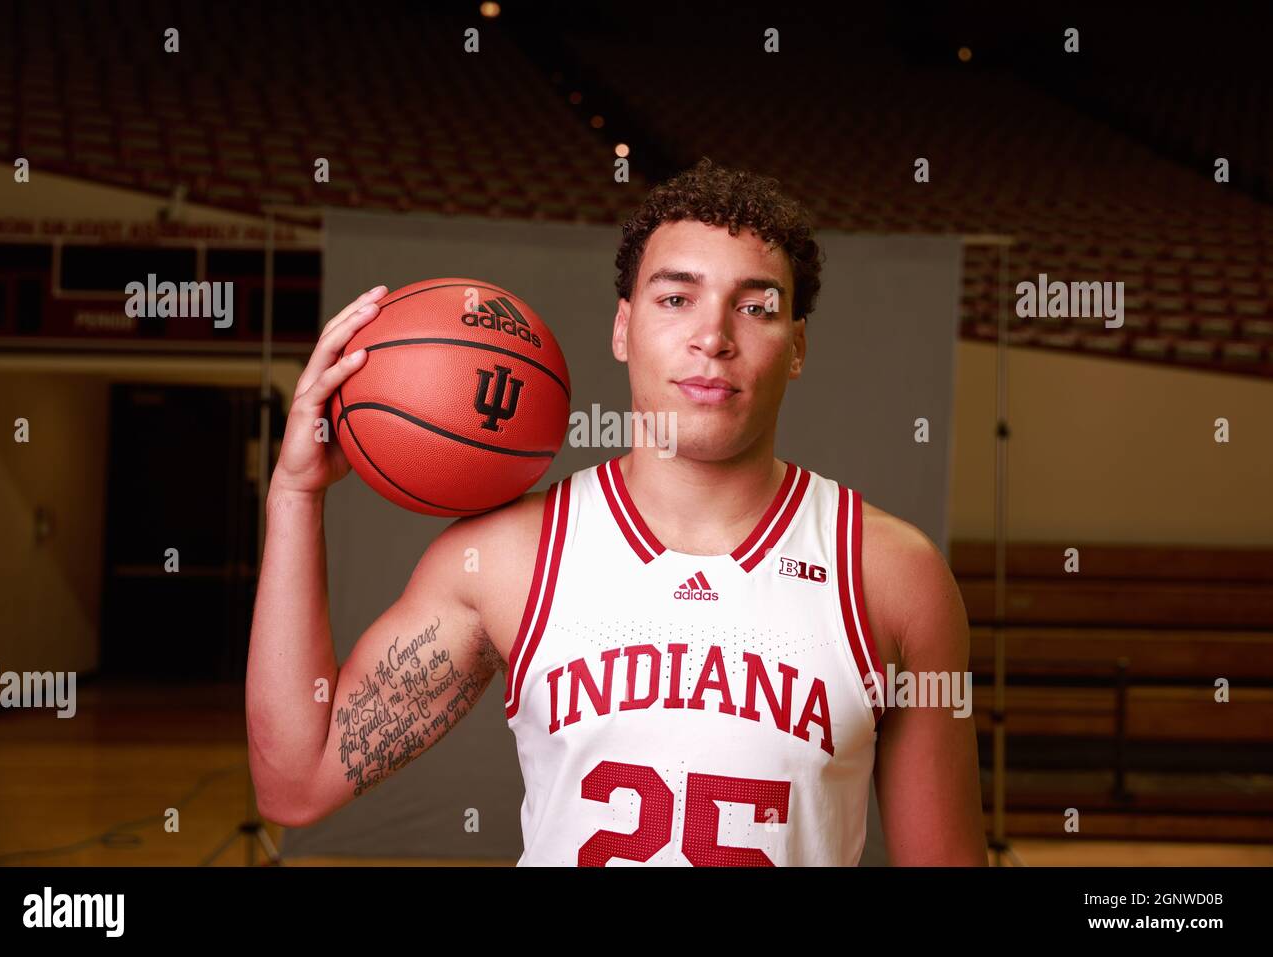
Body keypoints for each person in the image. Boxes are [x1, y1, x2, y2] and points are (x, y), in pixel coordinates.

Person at [246, 158, 987, 866]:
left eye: (755, 306)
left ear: (795, 347)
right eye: (676, 298)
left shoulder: (890, 573)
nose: (713, 337)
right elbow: (295, 780)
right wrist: (293, 495)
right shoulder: (510, 557)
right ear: (623, 327)